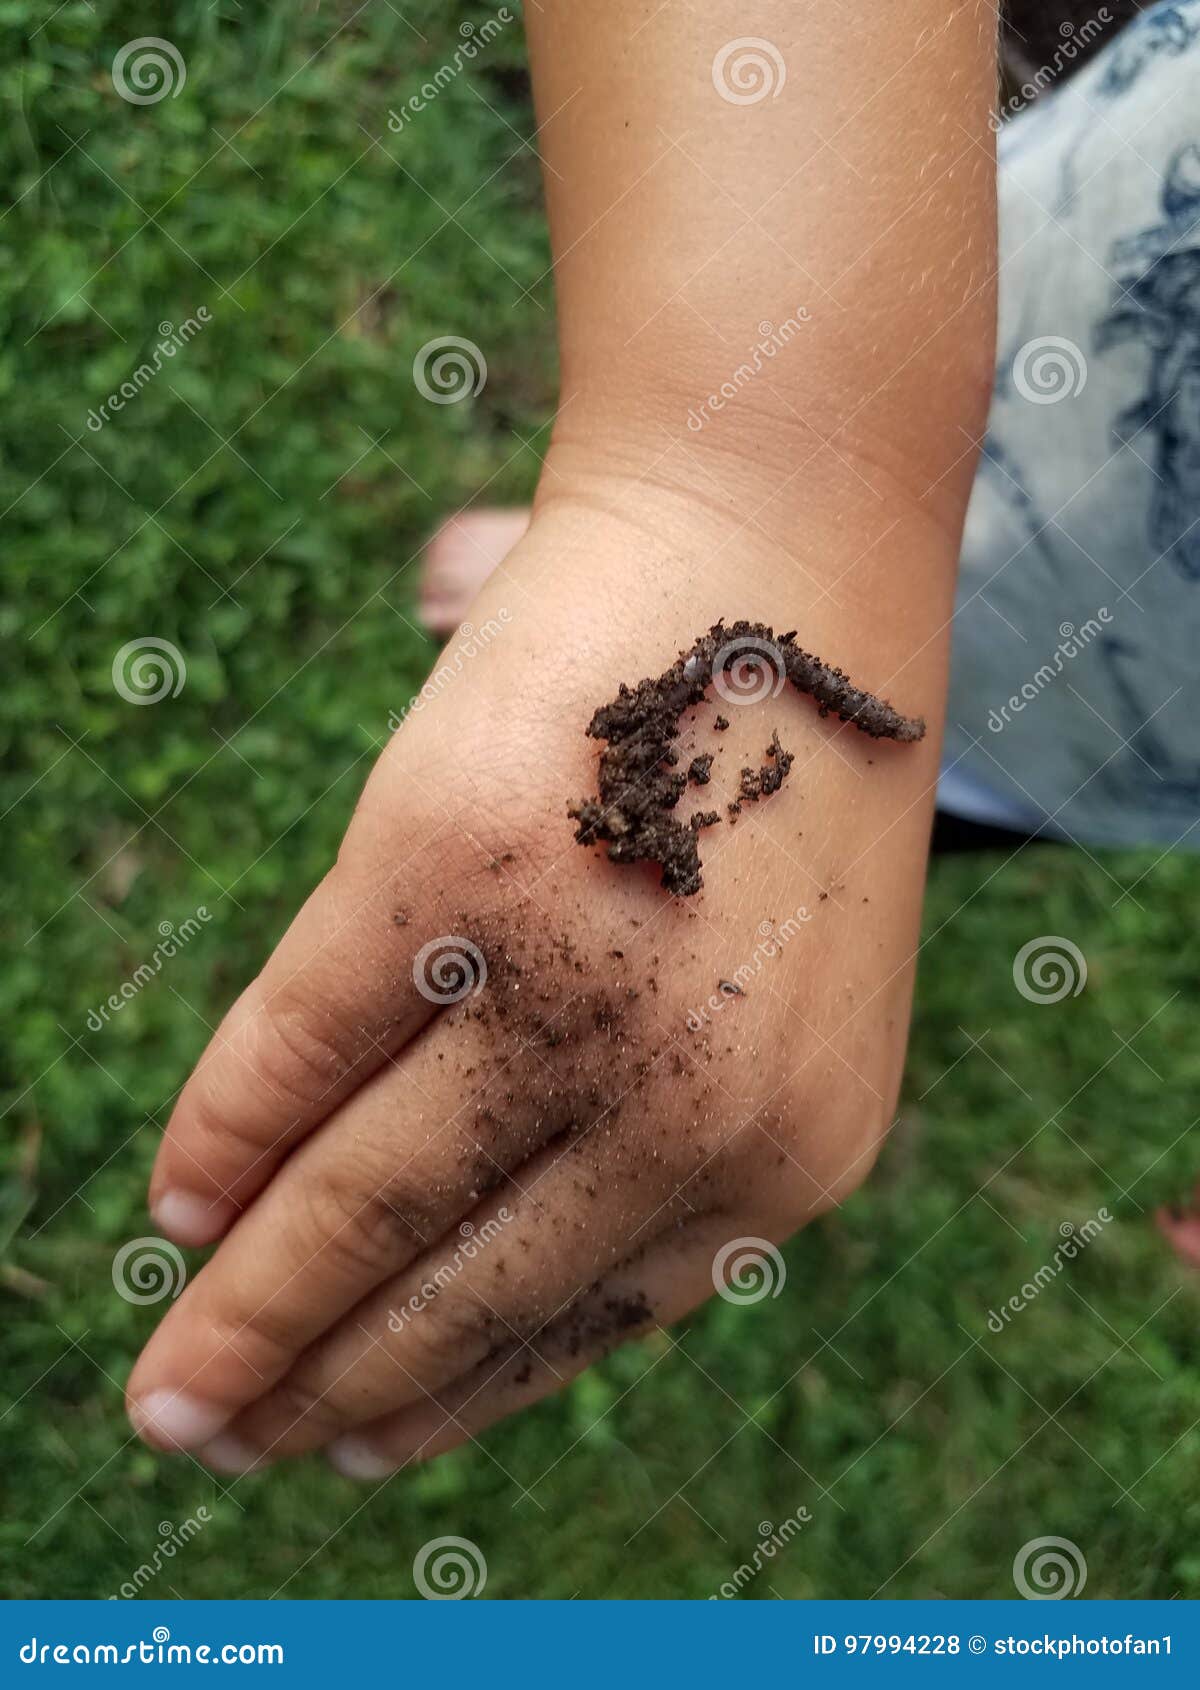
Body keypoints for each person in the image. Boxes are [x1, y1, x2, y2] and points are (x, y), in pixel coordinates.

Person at [122, 0, 1196, 1480]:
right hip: (956, 298)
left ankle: (902, 822)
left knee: (942, 795)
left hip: (1110, 744)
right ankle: (672, 549)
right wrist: (753, 473)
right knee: (783, 615)